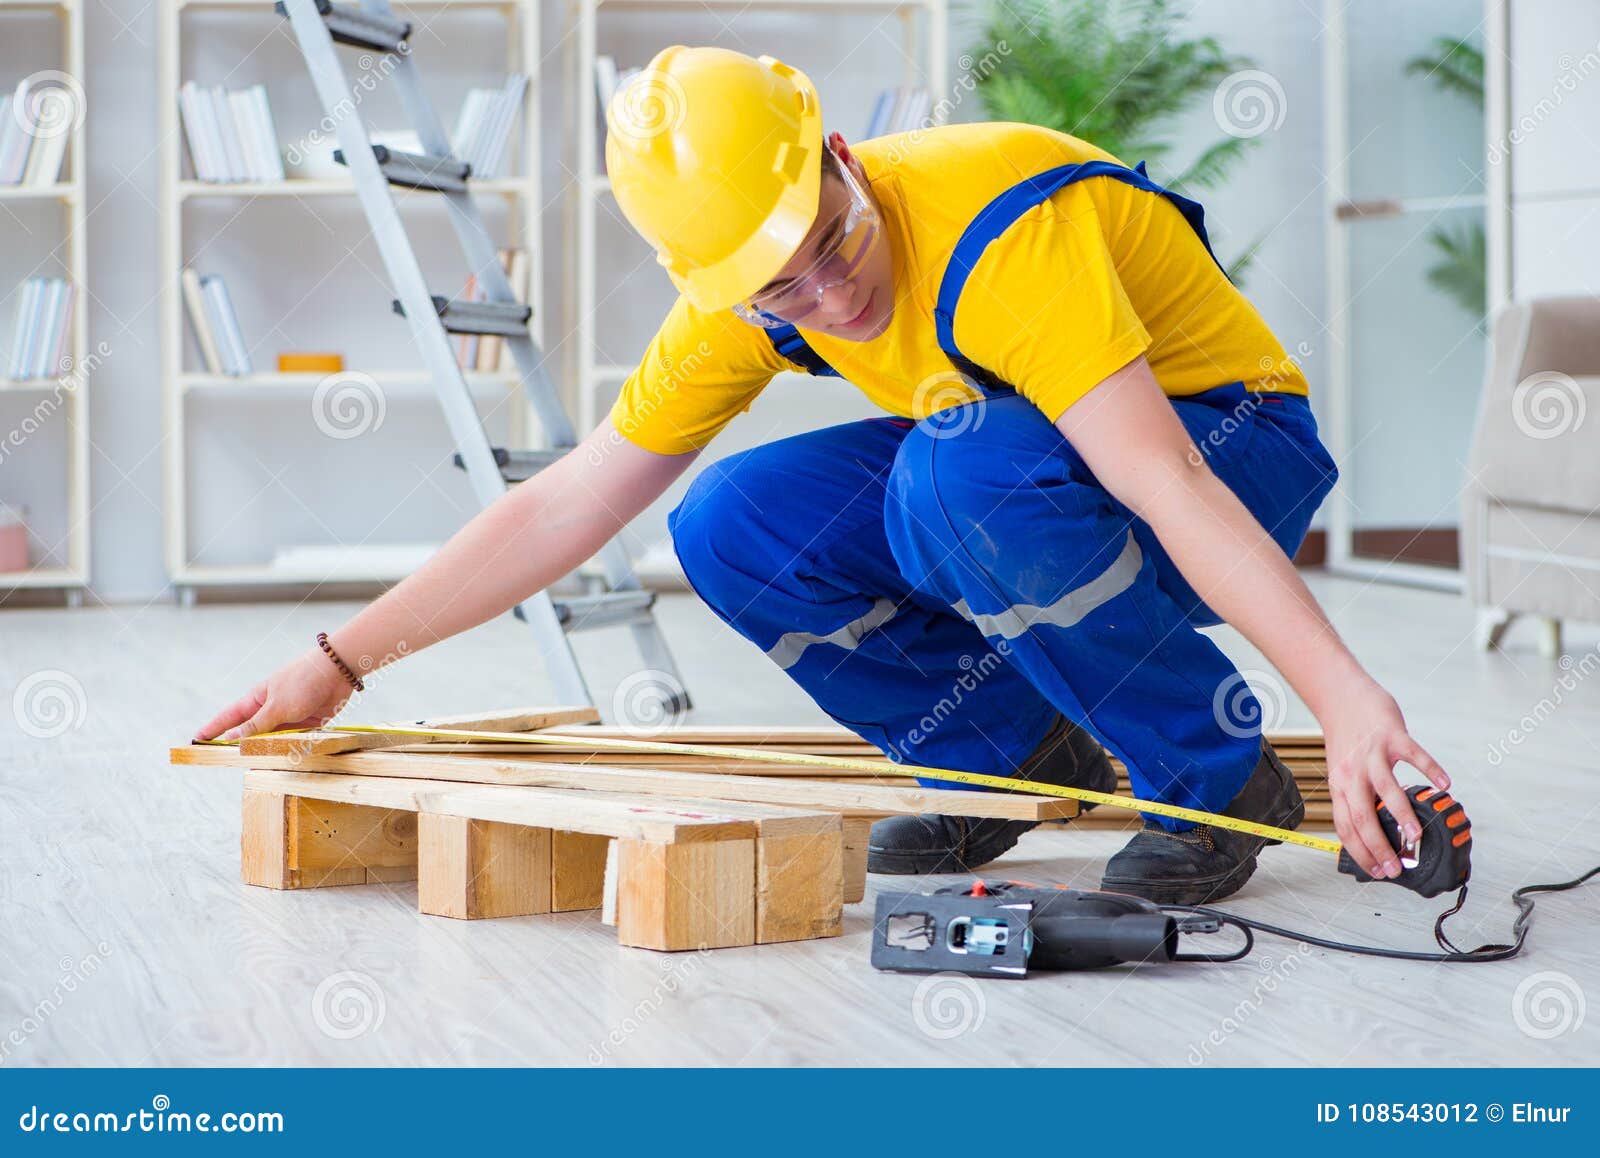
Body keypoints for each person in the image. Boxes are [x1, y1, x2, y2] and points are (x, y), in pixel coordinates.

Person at [198, 46, 1450, 904]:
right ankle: (1008, 758)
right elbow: (568, 501)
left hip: (1228, 446)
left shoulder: (1004, 228)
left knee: (953, 482)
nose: (830, 297)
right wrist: (339, 662)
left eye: (833, 243)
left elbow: (1168, 481)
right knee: (729, 521)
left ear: (844, 157)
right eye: (780, 291)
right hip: (1015, 459)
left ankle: (1211, 773)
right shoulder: (743, 298)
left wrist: (1341, 699)